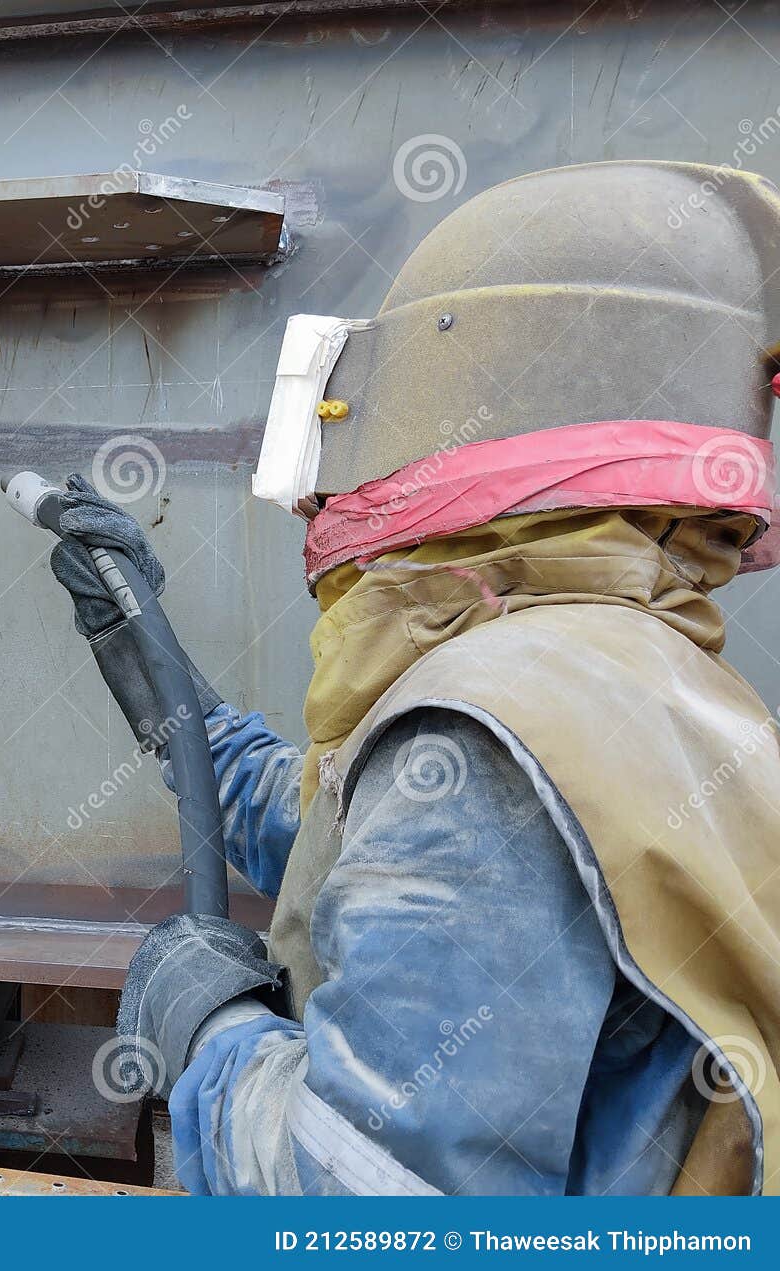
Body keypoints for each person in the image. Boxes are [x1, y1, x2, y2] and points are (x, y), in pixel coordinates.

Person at [45, 161, 780, 1195]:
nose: (321, 498)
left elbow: (358, 1204)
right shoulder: (621, 681)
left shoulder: (487, 735)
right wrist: (142, 651)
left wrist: (210, 1033)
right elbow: (339, 827)